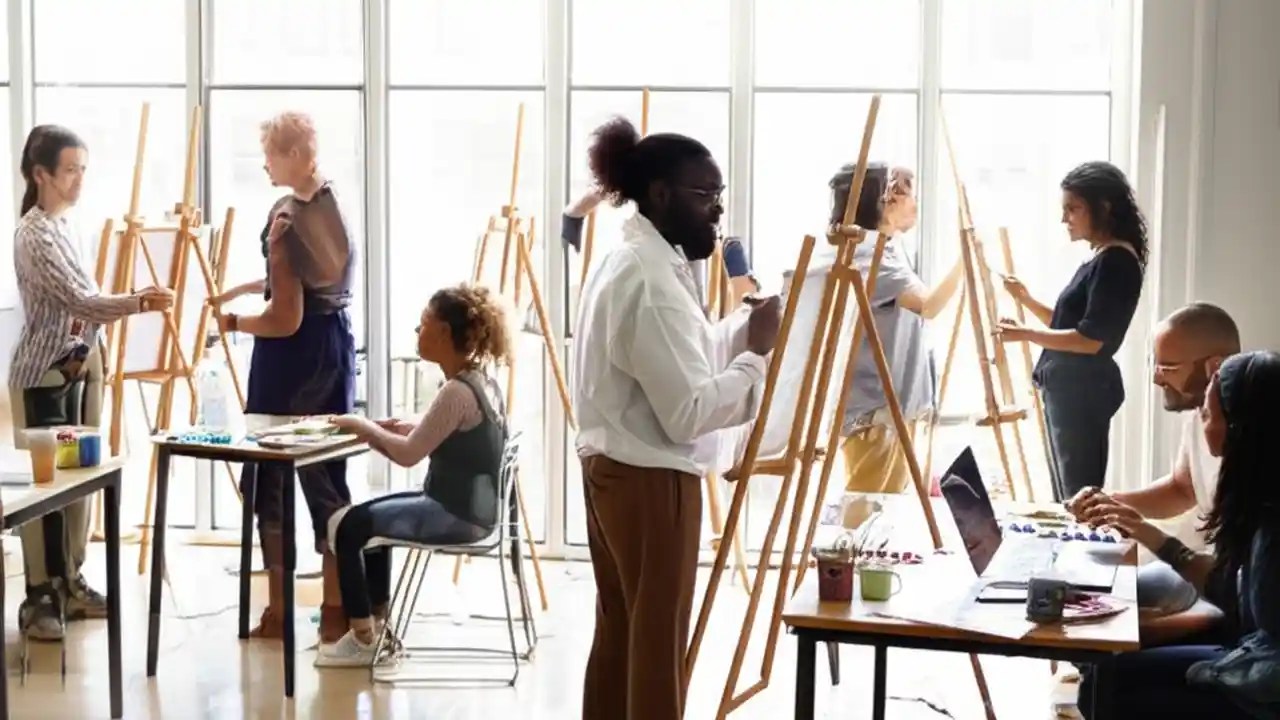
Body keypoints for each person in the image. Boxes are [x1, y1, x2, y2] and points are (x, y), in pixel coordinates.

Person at [572, 116, 781, 720]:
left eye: (719, 196)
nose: (717, 210)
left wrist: (740, 331)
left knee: (622, 635)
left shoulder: (634, 258)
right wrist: (756, 355)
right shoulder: (652, 278)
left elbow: (680, 357)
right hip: (650, 480)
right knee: (657, 647)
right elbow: (688, 411)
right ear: (660, 194)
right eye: (705, 195)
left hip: (614, 469)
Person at [8, 125, 173, 640]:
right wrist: (139, 301)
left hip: (79, 368)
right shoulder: (34, 233)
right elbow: (81, 301)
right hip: (44, 376)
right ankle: (40, 597)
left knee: (80, 483)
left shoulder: (66, 226)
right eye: (70, 170)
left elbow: (84, 305)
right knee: (46, 492)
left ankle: (71, 582)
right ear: (41, 175)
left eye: (83, 169)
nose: (79, 179)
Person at [213, 111, 357, 643]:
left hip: (291, 365)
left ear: (294, 154)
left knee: (272, 485)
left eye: (270, 154)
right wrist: (245, 288)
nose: (265, 165)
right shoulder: (329, 202)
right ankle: (337, 610)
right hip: (333, 350)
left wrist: (232, 323)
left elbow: (285, 318)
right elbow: (303, 285)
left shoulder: (289, 220)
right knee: (328, 480)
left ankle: (278, 613)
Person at [1079, 350, 1280, 719]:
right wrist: (1142, 529)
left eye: (1208, 414)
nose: (1202, 419)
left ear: (1240, 428)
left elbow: (1242, 609)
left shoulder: (1271, 516)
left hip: (1265, 685)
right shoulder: (1258, 486)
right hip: (1255, 654)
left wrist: (1177, 629)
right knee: (1103, 680)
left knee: (1109, 692)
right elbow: (1231, 587)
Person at [316, 284, 509, 666]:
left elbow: (408, 455)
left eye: (423, 324)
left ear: (443, 332)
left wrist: (363, 427)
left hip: (456, 515)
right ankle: (376, 630)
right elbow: (434, 433)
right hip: (471, 510)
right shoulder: (479, 382)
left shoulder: (455, 392)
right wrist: (387, 428)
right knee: (368, 522)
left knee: (349, 526)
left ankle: (364, 638)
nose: (418, 332)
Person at [1067, 303, 1241, 645]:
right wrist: (1109, 503)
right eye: (1155, 364)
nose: (1157, 378)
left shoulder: (1251, 438)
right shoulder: (1200, 414)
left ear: (1215, 366)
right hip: (1196, 572)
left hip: (1223, 588)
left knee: (1100, 632)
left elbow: (1244, 592)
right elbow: (1182, 488)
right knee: (1078, 594)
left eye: (1168, 367)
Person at [997, 161, 1147, 501]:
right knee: (1068, 492)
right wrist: (1026, 300)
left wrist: (1025, 334)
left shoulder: (1115, 262)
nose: (1064, 218)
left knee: (1076, 493)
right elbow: (1070, 325)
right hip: (1071, 390)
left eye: (1072, 208)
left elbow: (1091, 340)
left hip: (1081, 393)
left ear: (1103, 207)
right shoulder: (1102, 259)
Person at [830, 163, 963, 493]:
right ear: (886, 202)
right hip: (874, 412)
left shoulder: (886, 249)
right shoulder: (870, 256)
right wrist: (966, 259)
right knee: (868, 507)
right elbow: (928, 305)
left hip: (889, 408)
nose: (915, 204)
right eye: (907, 194)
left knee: (882, 505)